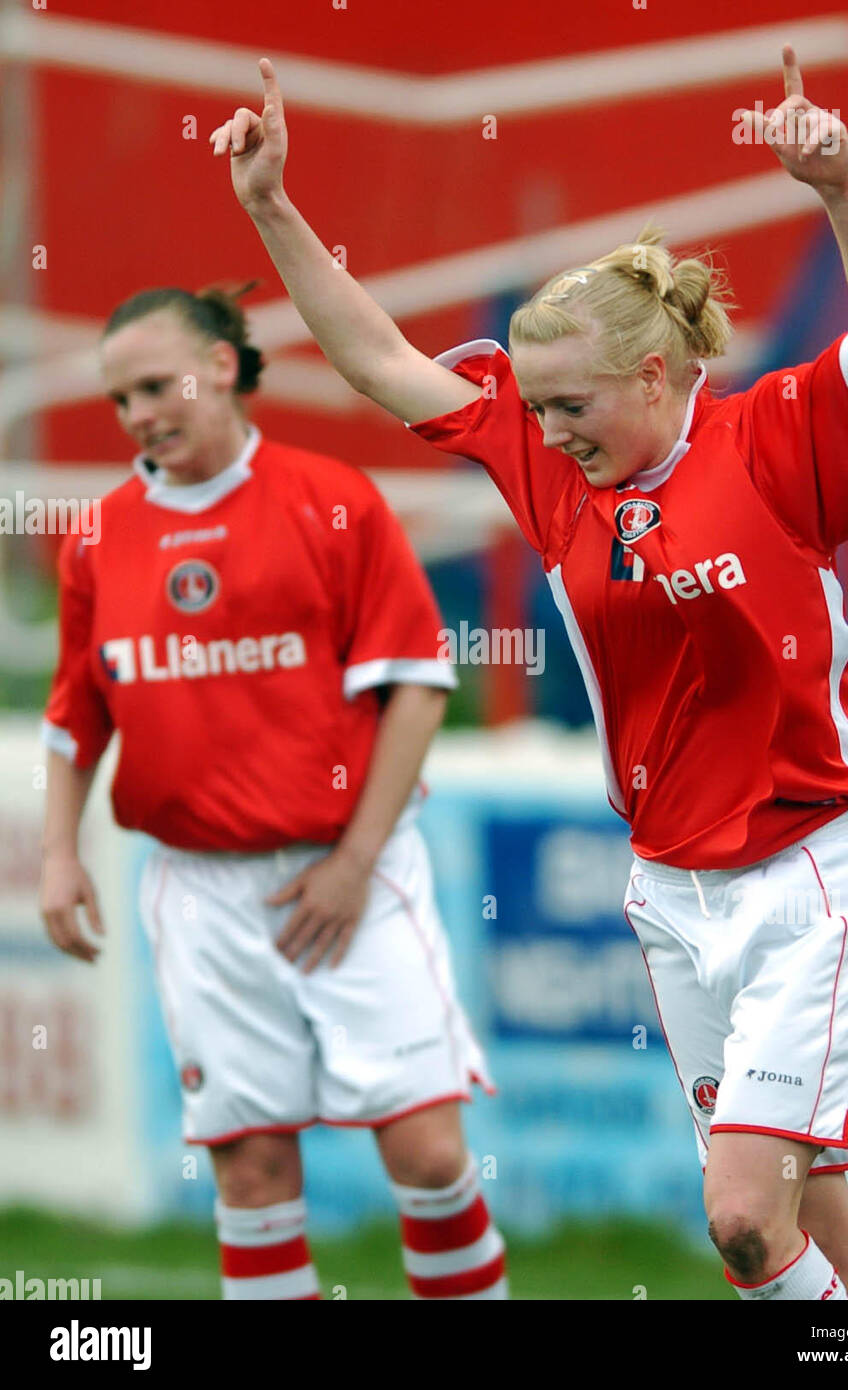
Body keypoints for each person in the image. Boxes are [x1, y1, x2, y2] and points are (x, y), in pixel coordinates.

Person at [209, 47, 848, 1301]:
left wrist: (838, 194)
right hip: (671, 884)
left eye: (568, 406)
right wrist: (272, 205)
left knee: (742, 1222)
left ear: (654, 376)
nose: (543, 433)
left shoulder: (770, 439)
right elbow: (383, 365)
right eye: (532, 408)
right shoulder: (554, 467)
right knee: (804, 1195)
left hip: (812, 863)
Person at [38, 284, 507, 1301]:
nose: (139, 415)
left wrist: (350, 863)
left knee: (426, 1152)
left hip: (353, 875)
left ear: (220, 367)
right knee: (250, 1171)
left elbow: (418, 687)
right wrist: (60, 850)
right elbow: (77, 713)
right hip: (201, 893)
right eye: (121, 399)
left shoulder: (328, 499)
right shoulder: (96, 540)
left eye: (156, 385)